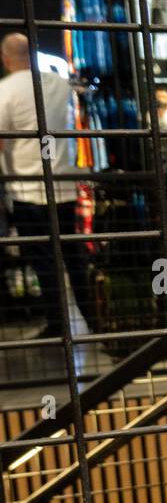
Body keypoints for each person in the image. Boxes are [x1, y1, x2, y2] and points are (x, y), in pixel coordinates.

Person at [0, 32, 93, 339]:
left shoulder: (5, 91)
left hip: (27, 188)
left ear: (5, 58)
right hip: (63, 184)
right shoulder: (58, 83)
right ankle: (93, 317)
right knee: (73, 257)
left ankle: (57, 324)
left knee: (43, 260)